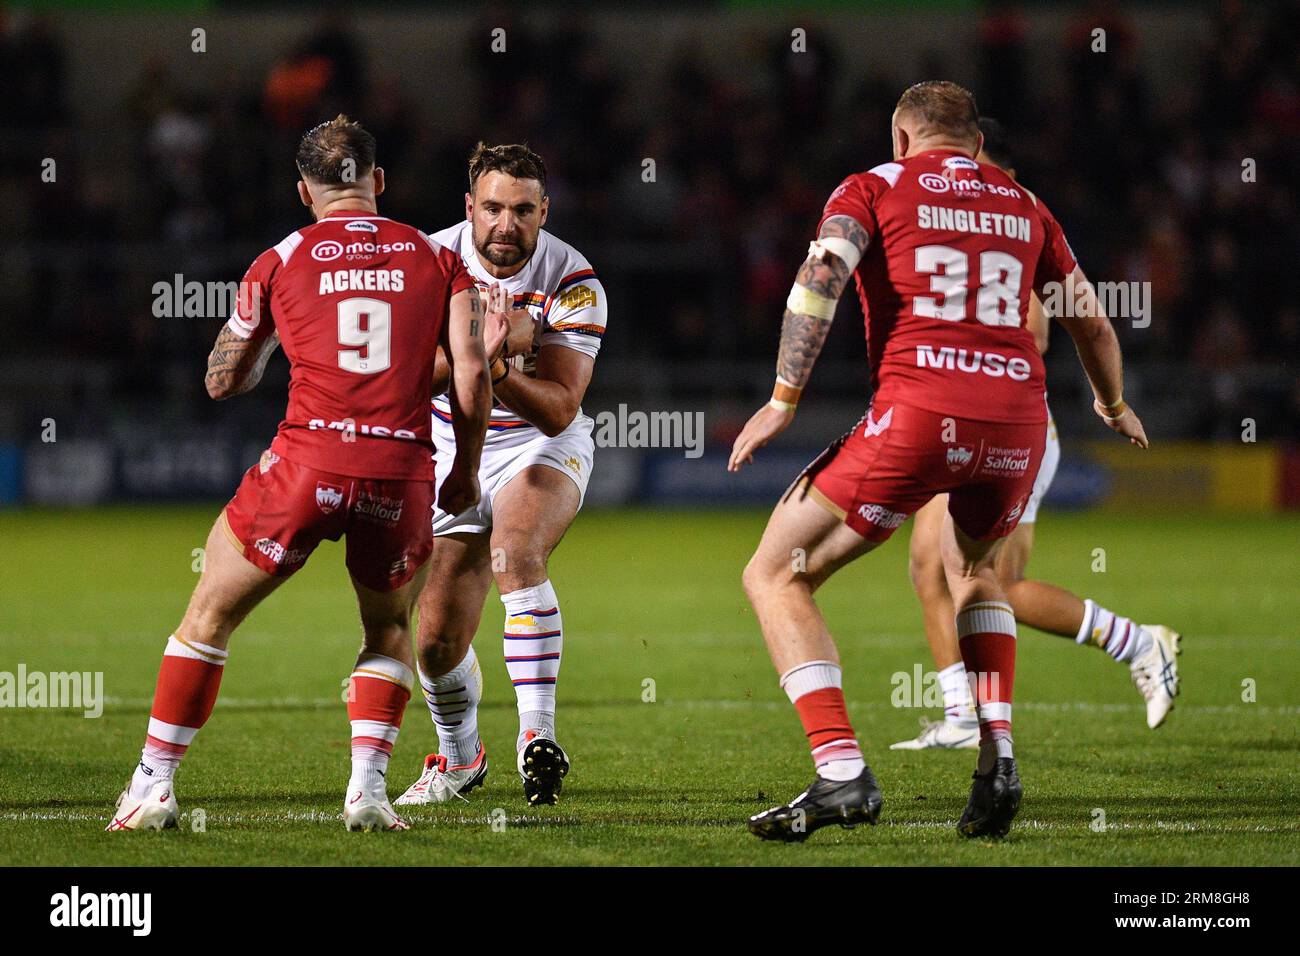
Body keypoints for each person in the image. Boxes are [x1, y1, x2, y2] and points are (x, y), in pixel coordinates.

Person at [729, 82, 1148, 842]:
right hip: (1020, 423)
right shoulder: (1025, 206)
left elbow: (819, 279)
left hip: (919, 413)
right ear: (976, 144)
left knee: (775, 571)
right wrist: (1113, 406)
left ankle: (842, 772)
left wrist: (784, 398)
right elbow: (1089, 317)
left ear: (900, 138)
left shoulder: (874, 185)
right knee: (979, 573)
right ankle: (999, 760)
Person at [106, 116, 495, 833]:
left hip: (306, 464)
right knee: (386, 630)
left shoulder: (281, 258)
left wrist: (277, 344)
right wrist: (466, 473)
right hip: (399, 474)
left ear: (304, 191)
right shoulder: (439, 260)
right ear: (378, 182)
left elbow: (224, 381)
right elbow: (472, 379)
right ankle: (369, 792)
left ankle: (153, 785)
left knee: (209, 618)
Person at [894, 118, 1180, 751]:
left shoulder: (1016, 224)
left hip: (1007, 430)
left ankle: (1137, 642)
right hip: (958, 421)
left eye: (967, 162)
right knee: (926, 566)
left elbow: (1044, 333)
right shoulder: (967, 223)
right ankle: (961, 716)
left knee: (993, 585)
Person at [394, 143, 608, 808]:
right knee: (432, 639)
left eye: (521, 209)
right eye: (491, 207)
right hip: (450, 444)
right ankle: (461, 761)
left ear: (544, 211)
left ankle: (535, 739)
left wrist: (501, 366)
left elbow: (559, 408)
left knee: (516, 550)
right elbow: (398, 378)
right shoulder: (425, 263)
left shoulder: (575, 281)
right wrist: (479, 348)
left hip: (536, 447)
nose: (505, 224)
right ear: (469, 208)